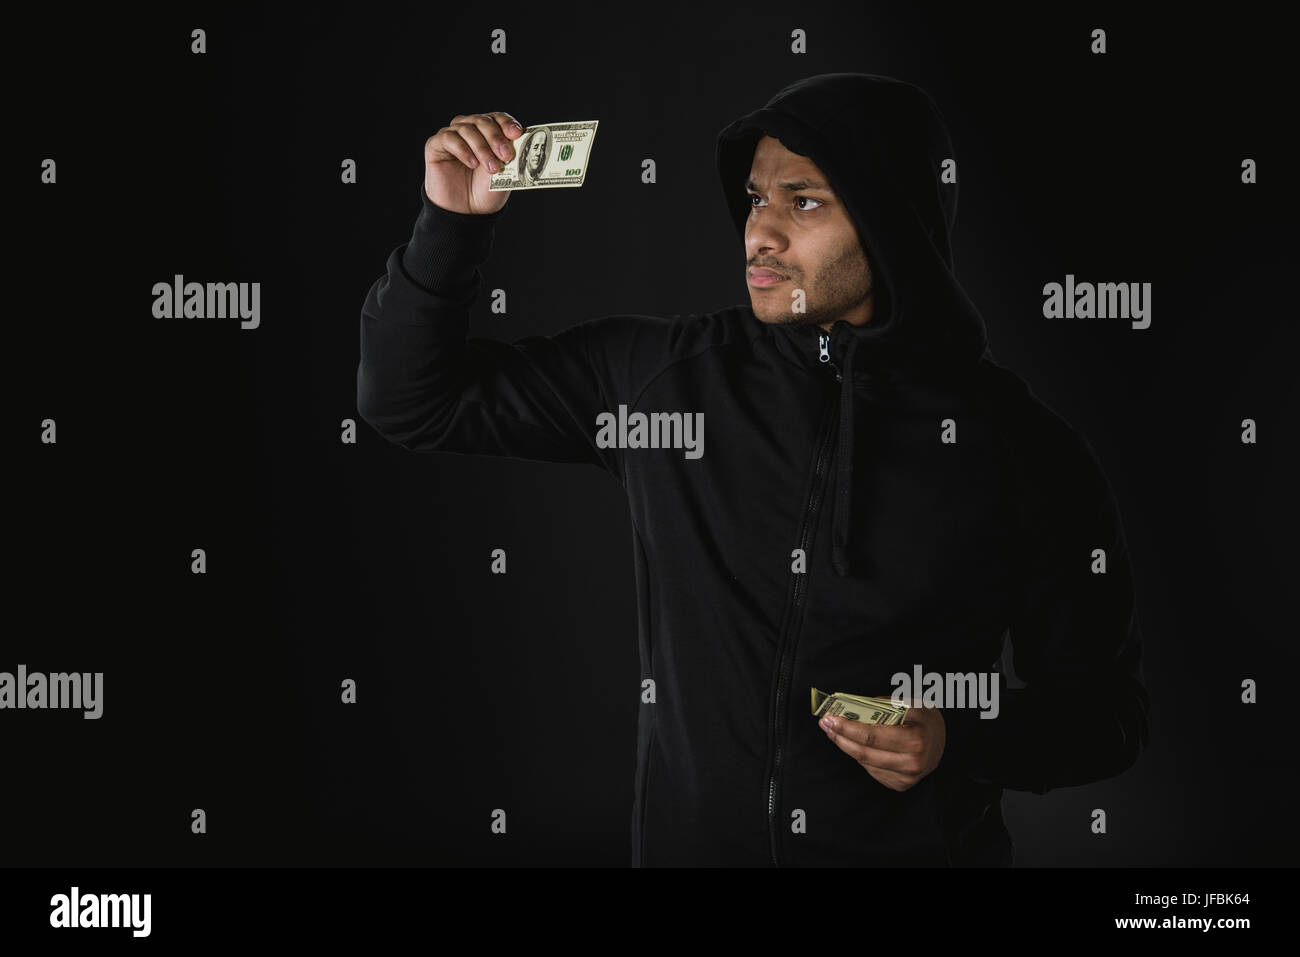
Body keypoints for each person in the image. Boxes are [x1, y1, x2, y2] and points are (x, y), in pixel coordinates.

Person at [356, 73, 1150, 867]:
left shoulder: (1025, 450)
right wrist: (449, 226)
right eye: (754, 197)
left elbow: (1105, 718)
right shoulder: (663, 379)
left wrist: (958, 736)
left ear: (890, 220)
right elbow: (412, 401)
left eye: (802, 202)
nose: (758, 232)